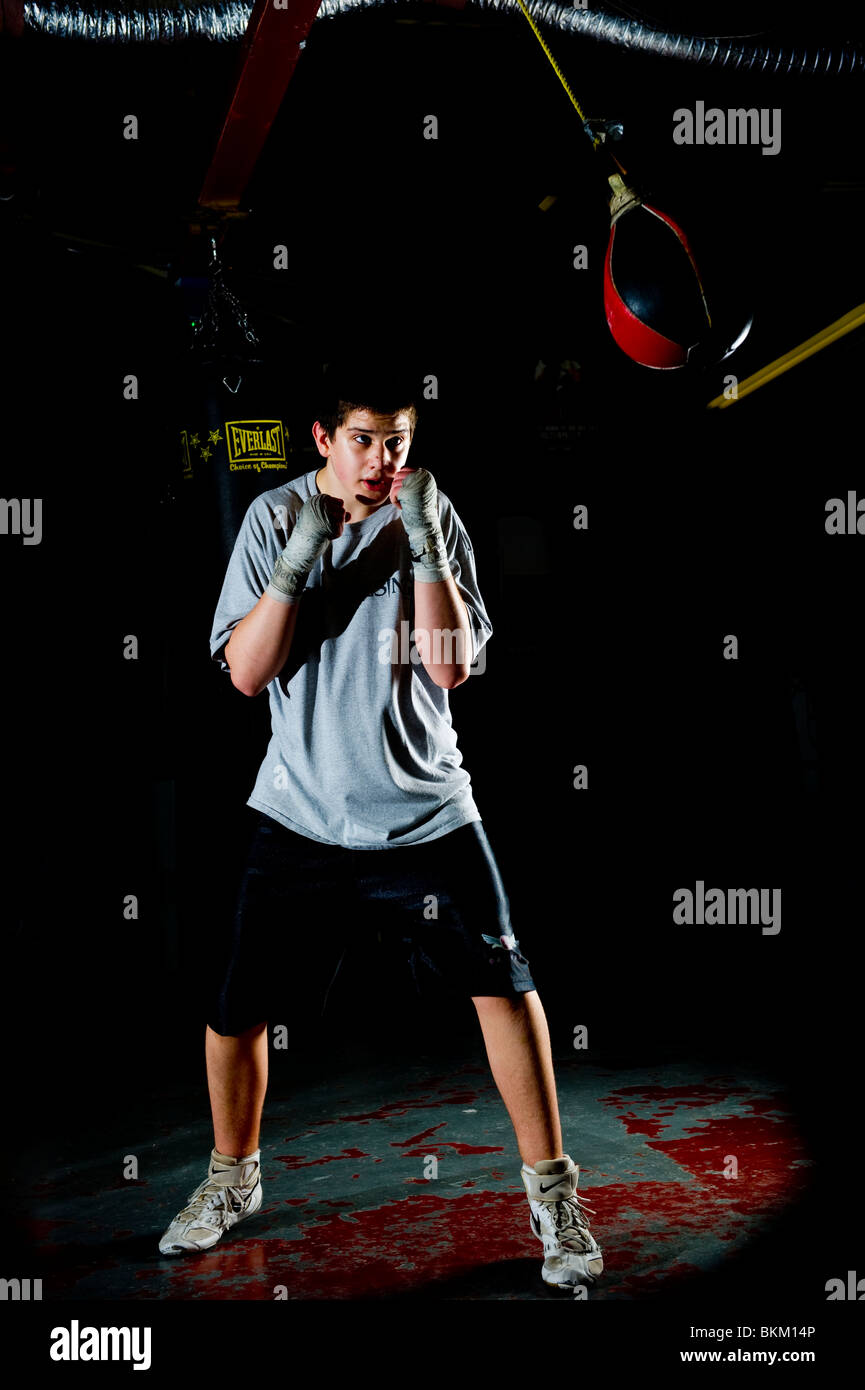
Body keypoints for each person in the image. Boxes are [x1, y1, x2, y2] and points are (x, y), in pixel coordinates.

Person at [158, 359, 603, 1291]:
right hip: (300, 813)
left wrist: (426, 545)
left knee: (505, 987)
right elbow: (246, 673)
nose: (380, 460)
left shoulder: (431, 512)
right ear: (324, 438)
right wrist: (297, 563)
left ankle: (553, 1196)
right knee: (235, 1008)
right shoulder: (272, 517)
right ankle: (232, 1179)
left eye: (396, 440)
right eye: (362, 439)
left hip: (427, 811)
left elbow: (449, 668)